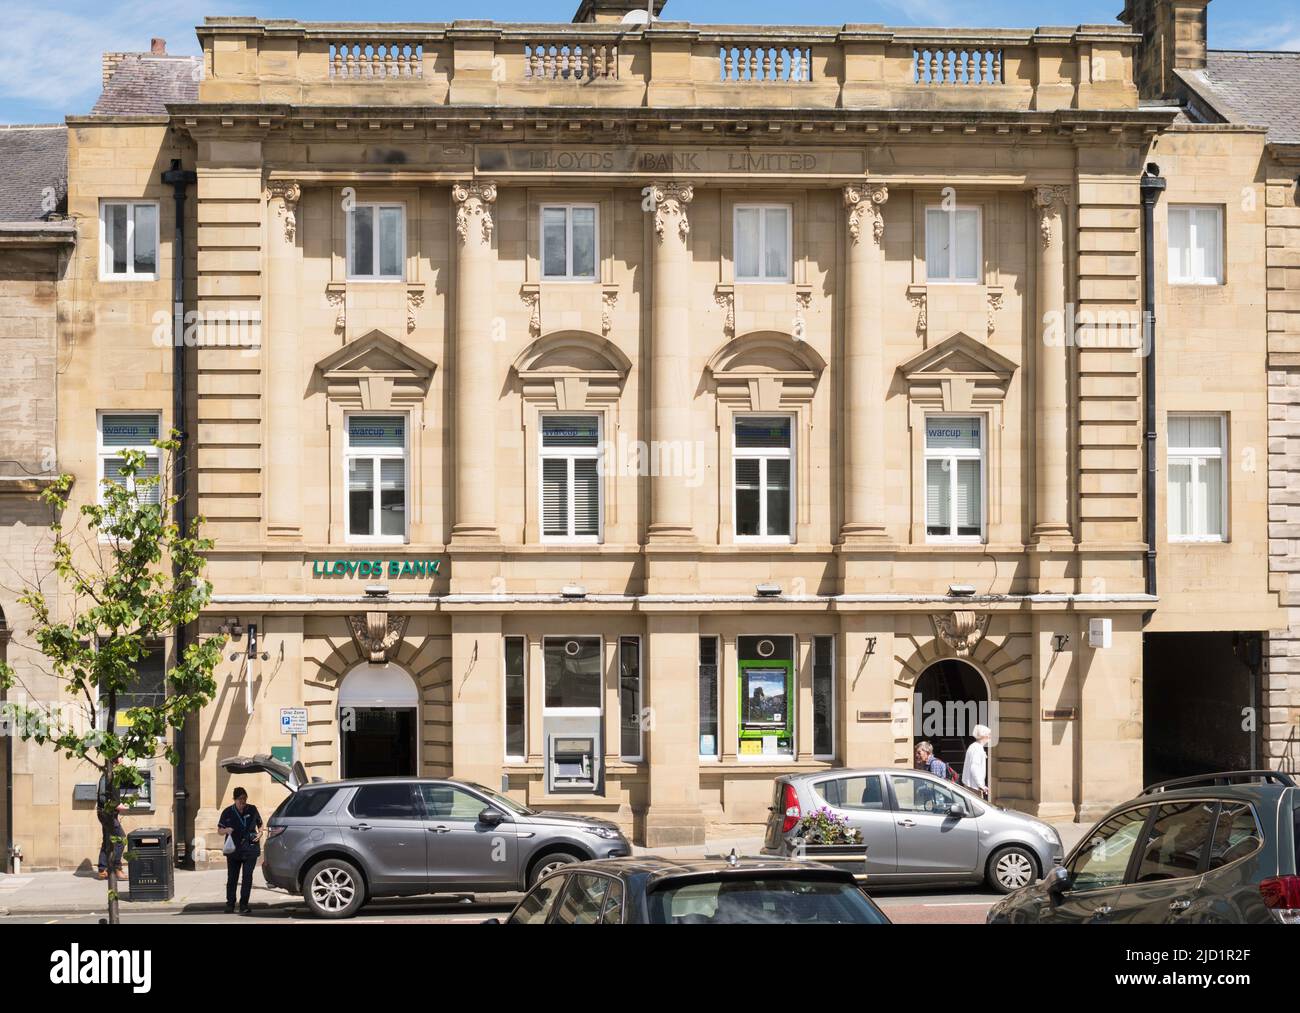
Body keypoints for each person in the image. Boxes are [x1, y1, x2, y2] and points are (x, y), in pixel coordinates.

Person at [217, 786, 263, 915]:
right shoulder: (227, 812)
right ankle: (230, 904)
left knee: (247, 877)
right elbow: (219, 831)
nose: (243, 802)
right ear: (235, 799)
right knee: (232, 878)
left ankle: (244, 905)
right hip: (234, 850)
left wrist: (260, 833)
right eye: (240, 799)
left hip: (250, 849)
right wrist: (227, 830)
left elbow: (260, 824)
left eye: (244, 799)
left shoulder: (252, 809)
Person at [95, 771, 128, 881]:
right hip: (107, 814)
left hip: (106, 813)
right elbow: (103, 797)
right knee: (121, 839)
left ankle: (102, 870)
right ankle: (116, 868)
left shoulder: (111, 774)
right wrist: (116, 805)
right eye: (120, 758)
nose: (122, 760)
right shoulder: (108, 775)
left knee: (107, 840)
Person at [962, 724, 992, 799]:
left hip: (971, 786)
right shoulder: (977, 749)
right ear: (983, 736)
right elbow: (974, 768)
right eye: (988, 735)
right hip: (973, 788)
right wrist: (981, 785)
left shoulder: (973, 746)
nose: (989, 737)